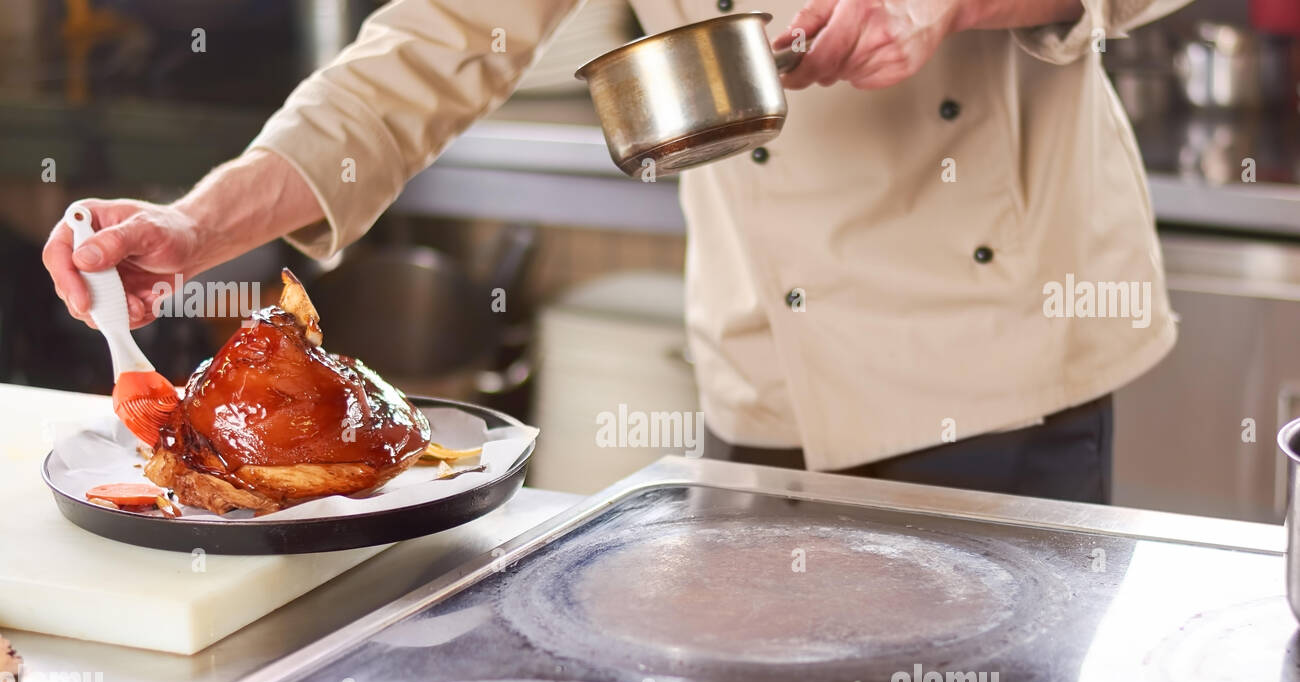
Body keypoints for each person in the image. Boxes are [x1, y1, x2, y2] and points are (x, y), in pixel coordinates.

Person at [43, 0, 1190, 504]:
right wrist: (198, 226)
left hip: (985, 364)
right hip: (759, 367)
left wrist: (940, 4)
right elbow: (424, 54)